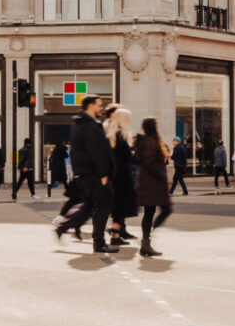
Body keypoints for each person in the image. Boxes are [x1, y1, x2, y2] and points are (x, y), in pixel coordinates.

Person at [56, 94, 116, 253]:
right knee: (103, 205)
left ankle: (63, 227)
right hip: (94, 174)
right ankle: (99, 243)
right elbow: (95, 151)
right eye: (98, 105)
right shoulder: (89, 125)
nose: (101, 108)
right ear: (90, 106)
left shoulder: (81, 123)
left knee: (89, 206)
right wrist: (103, 173)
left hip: (85, 173)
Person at [132, 118, 172, 257]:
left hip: (148, 182)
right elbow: (150, 162)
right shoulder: (150, 141)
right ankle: (146, 241)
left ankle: (146, 242)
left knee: (150, 212)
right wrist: (161, 175)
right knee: (166, 210)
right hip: (153, 183)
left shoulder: (146, 140)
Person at [106, 106, 138, 247]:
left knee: (118, 206)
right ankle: (115, 235)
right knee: (121, 206)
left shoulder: (112, 135)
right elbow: (127, 157)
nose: (129, 120)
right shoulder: (120, 135)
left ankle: (116, 234)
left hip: (115, 175)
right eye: (127, 118)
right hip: (123, 176)